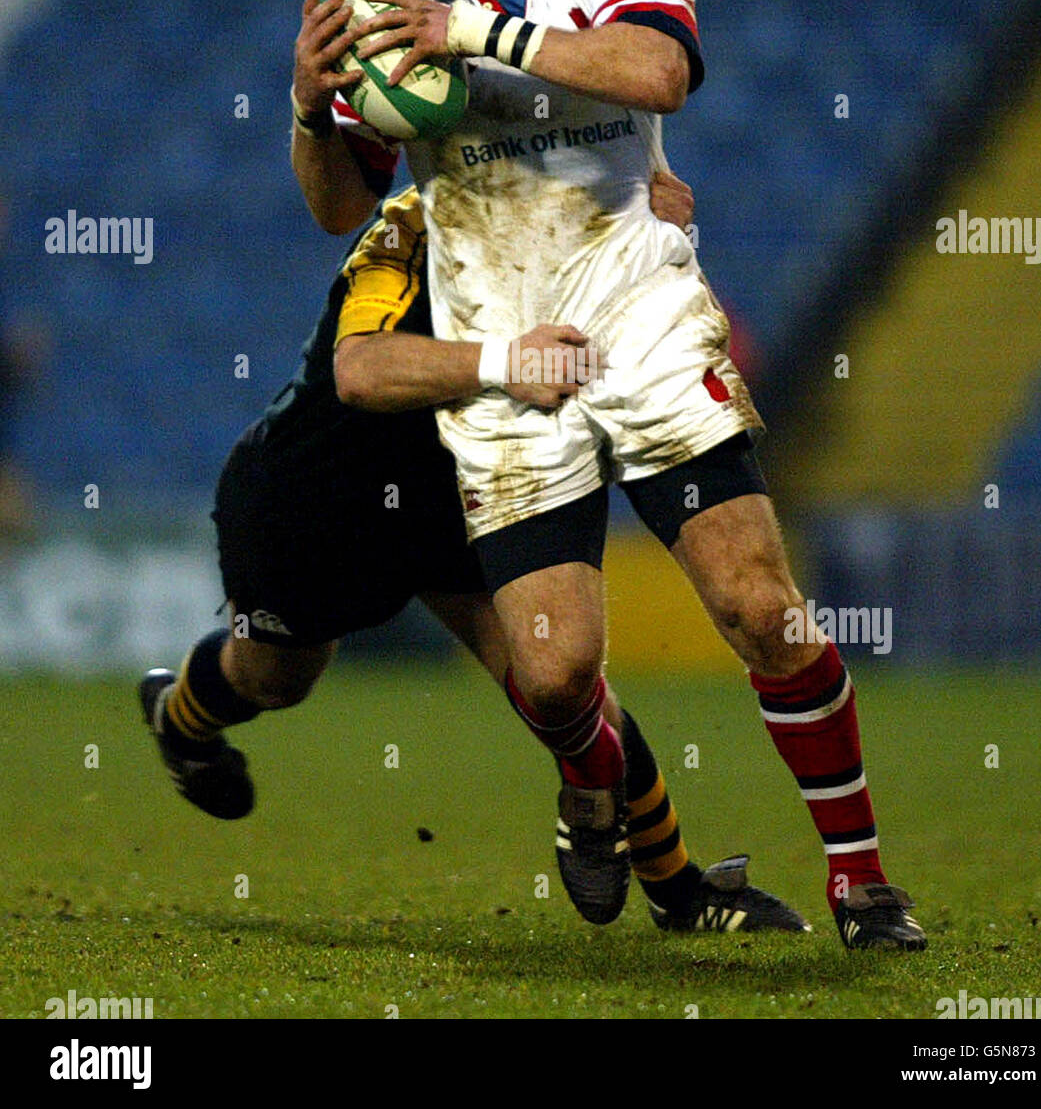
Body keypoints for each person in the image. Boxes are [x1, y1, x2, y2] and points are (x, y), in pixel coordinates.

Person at [289, 0, 926, 949]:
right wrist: (304, 107)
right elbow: (340, 207)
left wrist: (472, 34)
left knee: (760, 606)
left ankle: (862, 879)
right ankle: (590, 788)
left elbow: (659, 73)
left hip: (637, 317)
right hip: (506, 351)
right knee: (551, 673)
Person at [140, 165, 809, 935]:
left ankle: (678, 888)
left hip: (450, 502)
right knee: (275, 678)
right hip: (313, 507)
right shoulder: (411, 226)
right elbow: (361, 371)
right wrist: (508, 362)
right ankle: (180, 721)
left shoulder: (591, 232)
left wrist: (664, 239)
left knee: (559, 678)